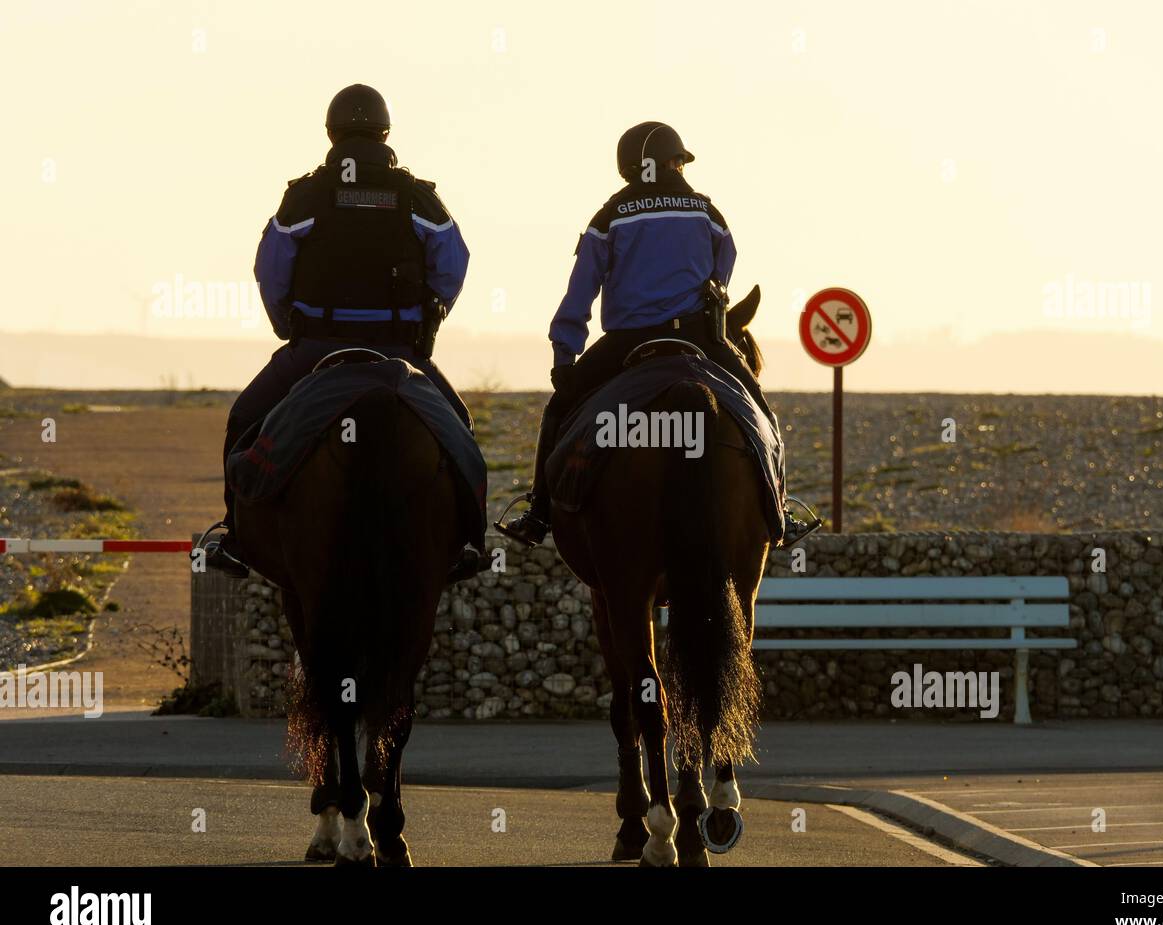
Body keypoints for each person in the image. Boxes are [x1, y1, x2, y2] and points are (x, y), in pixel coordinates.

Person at [205, 84, 476, 579]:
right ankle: (468, 542)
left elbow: (270, 271)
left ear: (331, 134)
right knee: (461, 430)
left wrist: (287, 326)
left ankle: (235, 537)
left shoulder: (304, 195)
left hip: (314, 349)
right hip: (400, 356)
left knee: (244, 418)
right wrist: (432, 316)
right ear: (386, 133)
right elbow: (453, 266)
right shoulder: (418, 198)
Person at [497, 121, 812, 548]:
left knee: (559, 410)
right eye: (680, 161)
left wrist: (564, 355)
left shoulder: (608, 217)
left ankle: (537, 513)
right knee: (758, 407)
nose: (682, 167)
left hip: (628, 341)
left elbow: (580, 292)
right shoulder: (707, 212)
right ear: (671, 162)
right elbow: (725, 267)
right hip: (700, 337)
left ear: (629, 169)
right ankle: (780, 509)